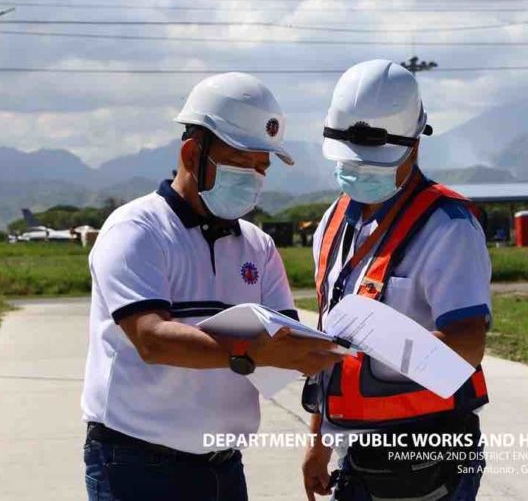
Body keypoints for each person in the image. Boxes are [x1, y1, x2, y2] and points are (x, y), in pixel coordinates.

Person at [81, 72, 340, 501]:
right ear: (191, 153)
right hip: (137, 467)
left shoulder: (257, 245)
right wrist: (253, 351)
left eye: (262, 167)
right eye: (242, 163)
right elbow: (152, 339)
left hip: (224, 466)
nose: (255, 178)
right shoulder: (137, 230)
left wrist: (332, 351)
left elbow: (285, 342)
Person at [301, 60, 492, 501]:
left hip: (430, 450)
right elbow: (328, 343)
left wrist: (381, 341)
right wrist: (318, 440)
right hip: (357, 447)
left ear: (415, 145)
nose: (361, 170)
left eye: (375, 161)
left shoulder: (448, 227)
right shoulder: (333, 223)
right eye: (352, 159)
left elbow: (467, 344)